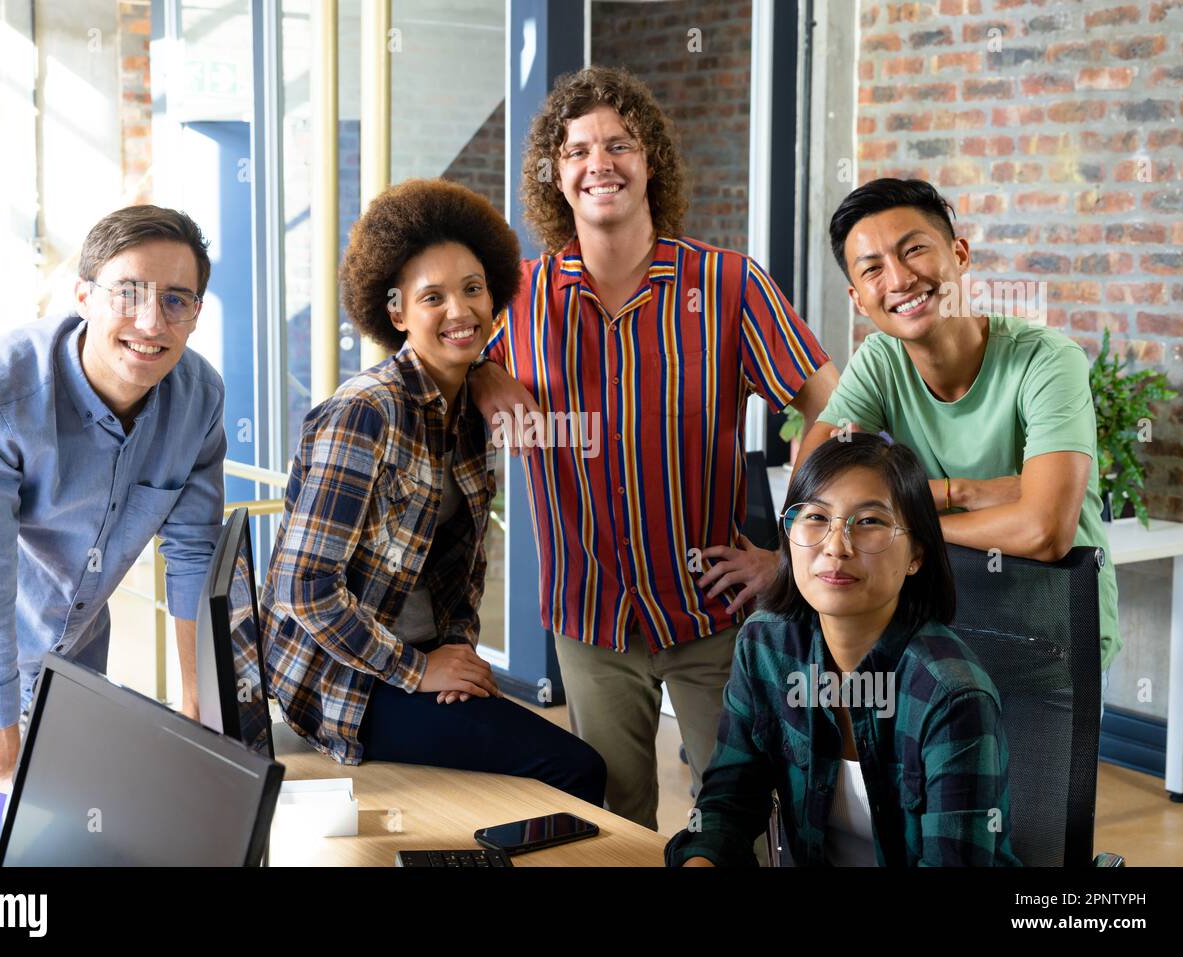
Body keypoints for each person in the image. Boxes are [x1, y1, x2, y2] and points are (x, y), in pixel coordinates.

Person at [468, 65, 838, 828]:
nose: (598, 163)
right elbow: (430, 361)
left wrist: (789, 552)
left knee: (742, 817)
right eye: (576, 150)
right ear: (556, 174)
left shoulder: (729, 284)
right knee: (613, 824)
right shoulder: (514, 297)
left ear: (650, 163)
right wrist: (479, 376)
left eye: (619, 144)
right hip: (590, 615)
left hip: (711, 608)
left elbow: (834, 408)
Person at [261, 178, 606, 804]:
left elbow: (457, 568)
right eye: (433, 297)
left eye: (473, 289)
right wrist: (419, 671)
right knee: (575, 769)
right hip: (341, 681)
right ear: (397, 314)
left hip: (418, 654)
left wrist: (455, 652)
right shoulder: (366, 412)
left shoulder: (466, 408)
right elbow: (304, 588)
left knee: (546, 762)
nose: (460, 311)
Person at [0, 206, 225, 787]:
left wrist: (201, 713)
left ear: (196, 313)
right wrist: (1, 770)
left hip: (66, 677)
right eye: (129, 293)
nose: (152, 322)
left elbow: (194, 555)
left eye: (176, 299)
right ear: (83, 295)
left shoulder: (198, 397)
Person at [796, 178, 1119, 708]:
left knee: (1031, 793)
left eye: (914, 249)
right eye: (873, 267)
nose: (899, 279)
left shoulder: (1046, 361)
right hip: (931, 639)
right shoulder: (880, 361)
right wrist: (962, 492)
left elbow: (1044, 532)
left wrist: (899, 526)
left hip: (1046, 646)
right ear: (858, 298)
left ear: (959, 253)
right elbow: (814, 495)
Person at [666, 433, 1020, 866]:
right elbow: (727, 804)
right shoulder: (766, 646)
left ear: (916, 554)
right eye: (815, 517)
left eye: (869, 521)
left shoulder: (952, 694)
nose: (836, 546)